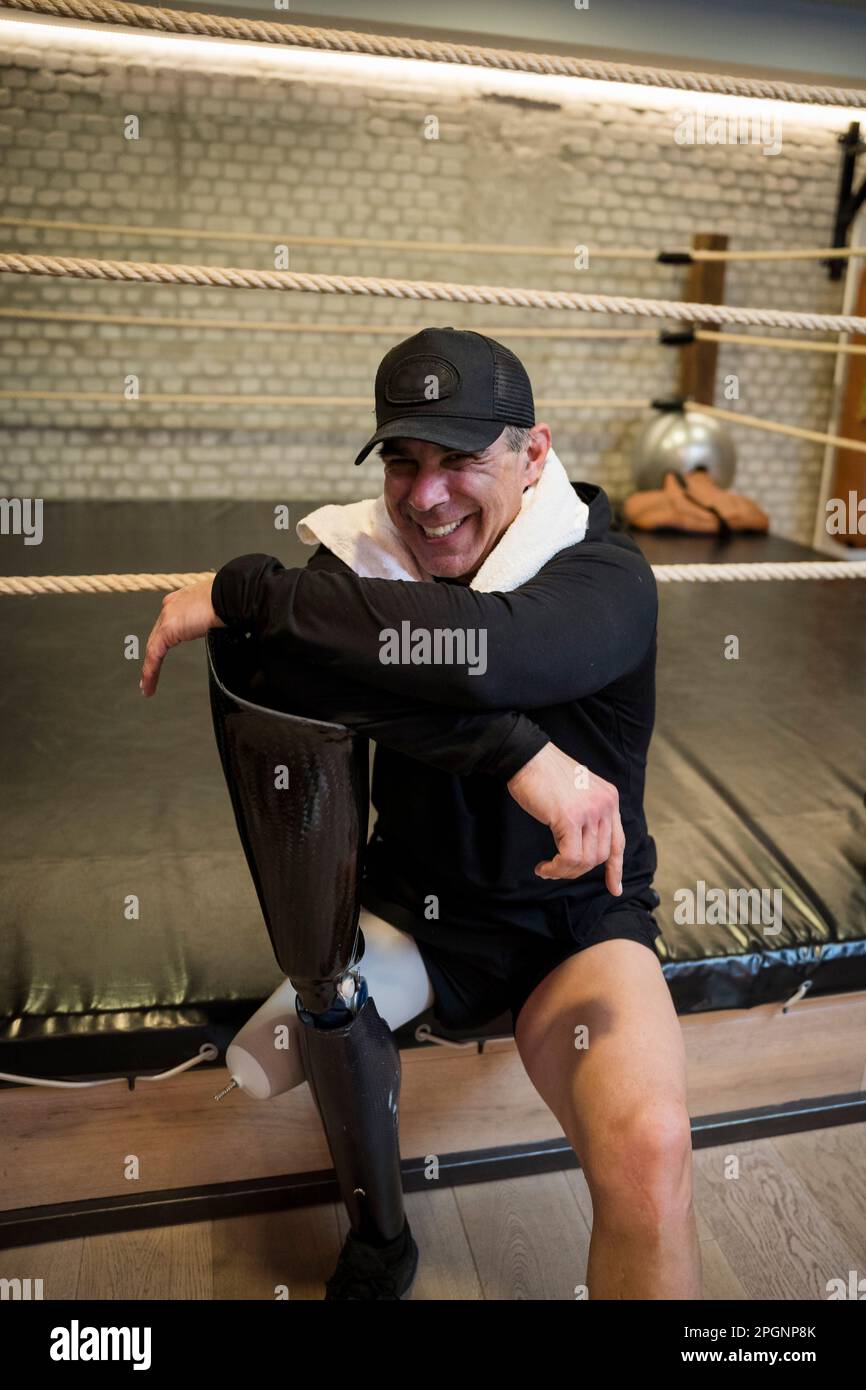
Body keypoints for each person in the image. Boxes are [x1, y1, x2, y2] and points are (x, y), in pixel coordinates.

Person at [141, 327, 702, 1300]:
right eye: (403, 461)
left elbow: (483, 654)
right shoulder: (357, 574)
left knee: (652, 1153)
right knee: (281, 1041)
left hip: (569, 930)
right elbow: (267, 678)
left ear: (532, 455)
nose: (425, 495)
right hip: (415, 915)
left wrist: (247, 591)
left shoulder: (605, 581)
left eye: (459, 460)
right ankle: (381, 1237)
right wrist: (515, 754)